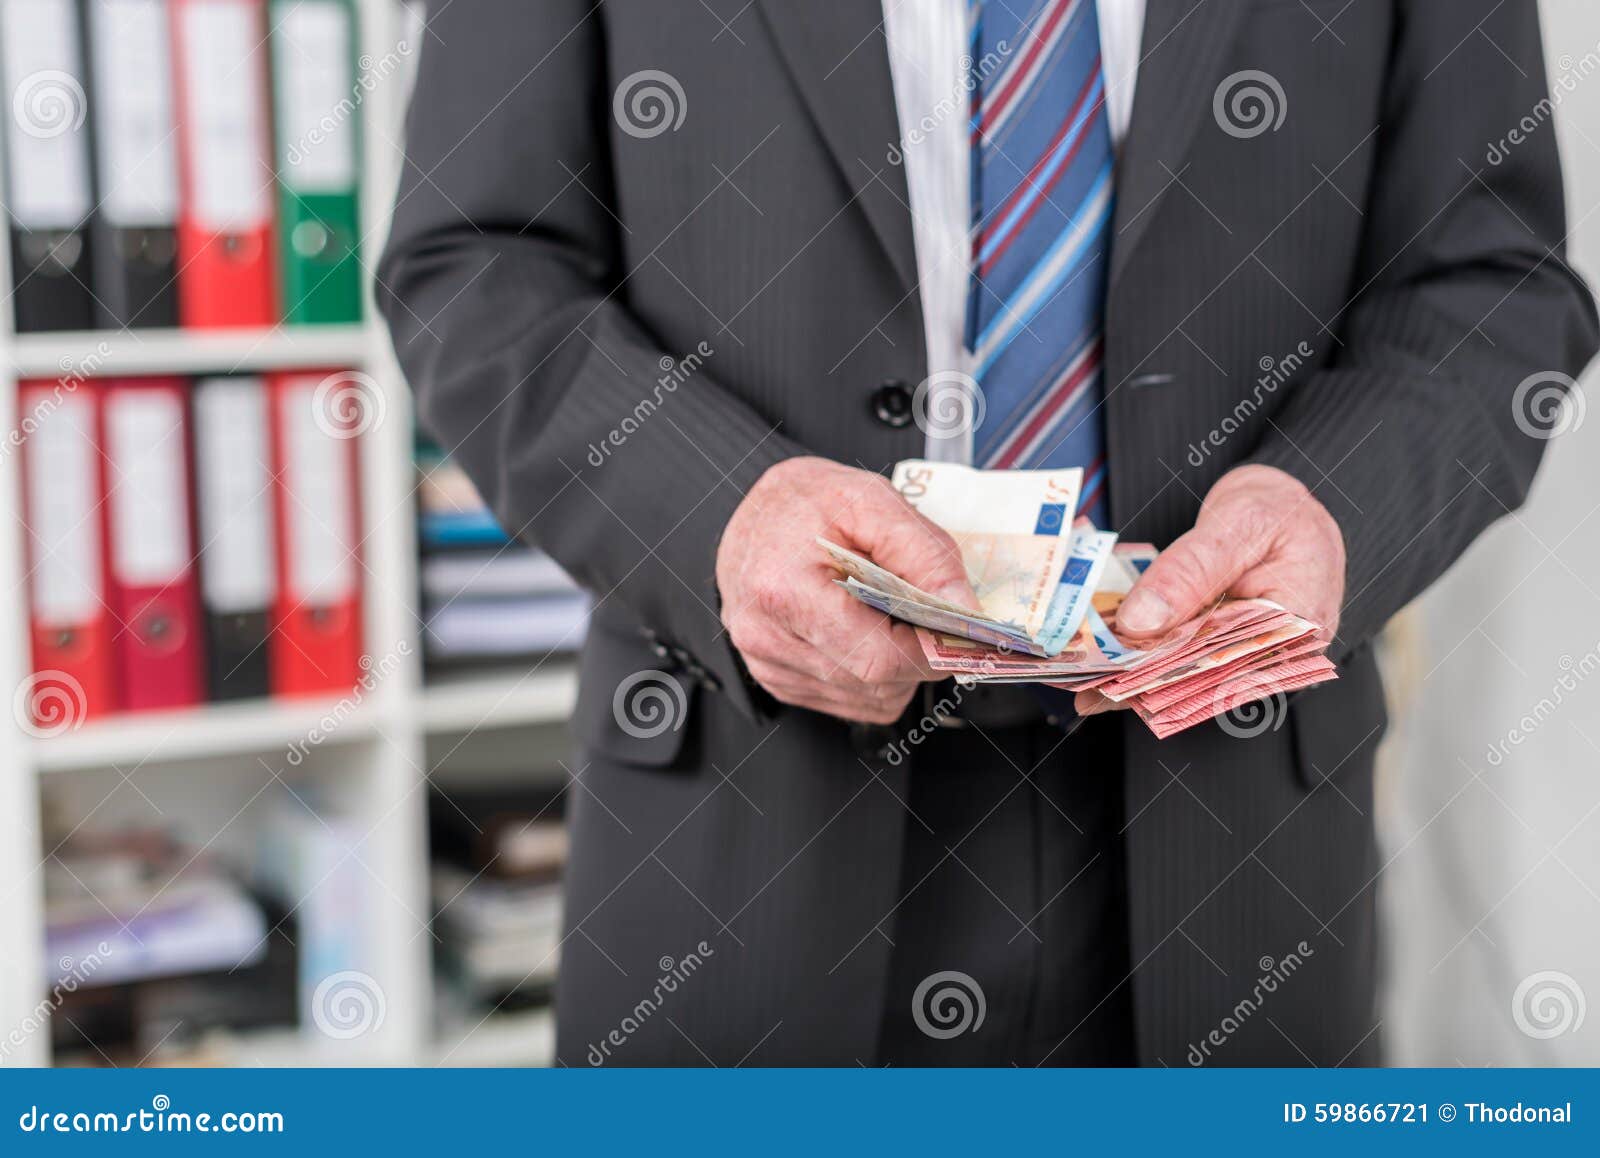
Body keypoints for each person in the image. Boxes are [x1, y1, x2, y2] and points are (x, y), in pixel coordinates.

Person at [378, 0, 1598, 1065]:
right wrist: (723, 517)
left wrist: (1335, 506)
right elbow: (478, 262)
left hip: (1236, 851)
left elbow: (1488, 279)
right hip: (741, 835)